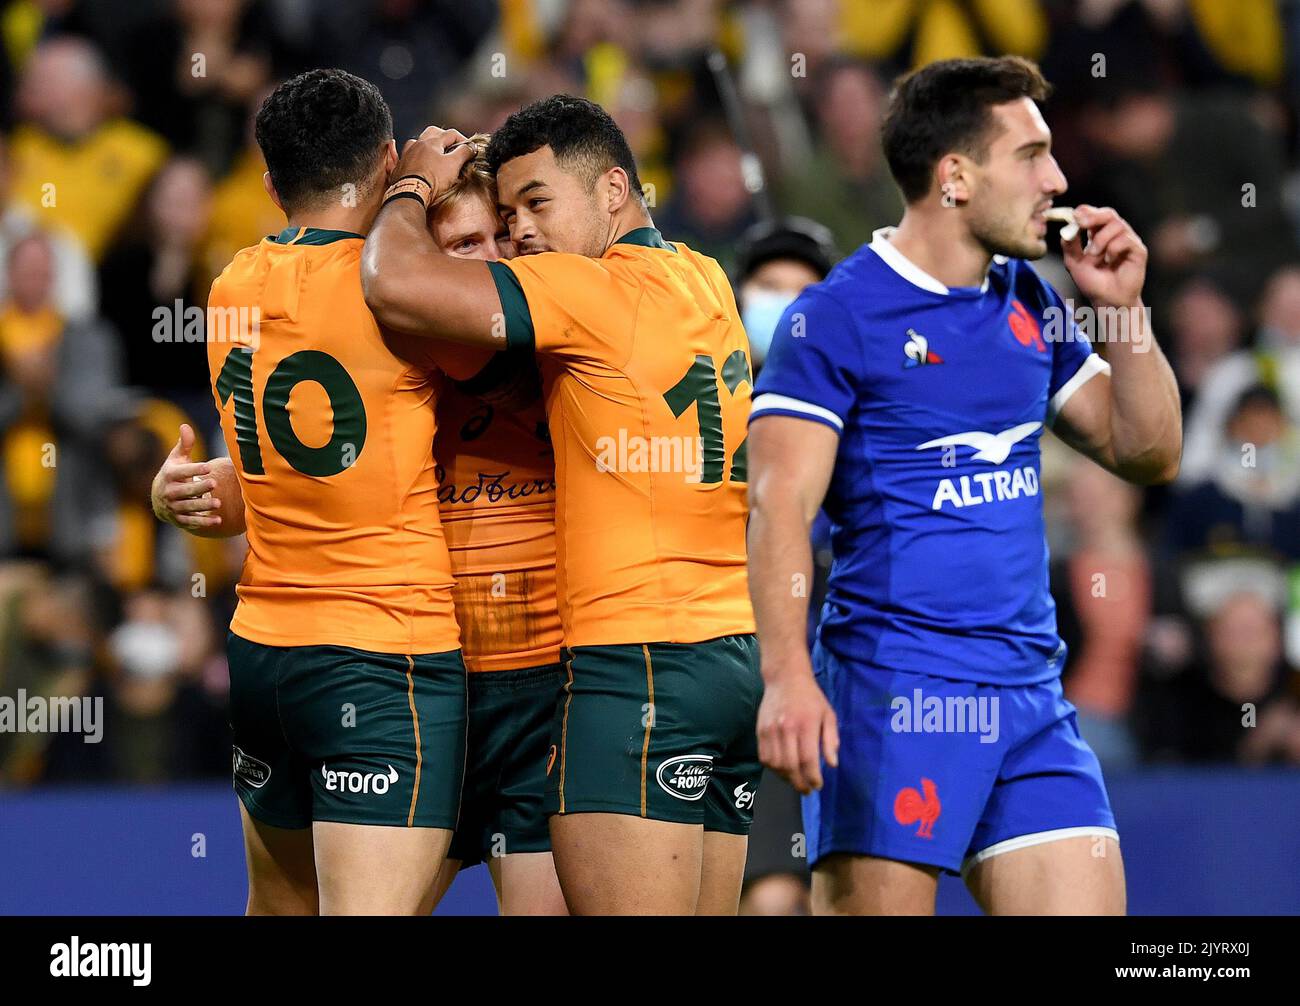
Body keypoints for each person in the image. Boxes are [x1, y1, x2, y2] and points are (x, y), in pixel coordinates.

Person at [747, 56, 1182, 915]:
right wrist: (788, 676)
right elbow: (778, 506)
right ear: (954, 178)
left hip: (1031, 700)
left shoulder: (1031, 299)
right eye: (1031, 154)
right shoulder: (836, 318)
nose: (1057, 179)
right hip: (893, 697)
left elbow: (1146, 451)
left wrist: (1123, 310)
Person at [361, 95, 760, 915]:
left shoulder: (585, 291)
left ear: (613, 189)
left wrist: (408, 188)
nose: (522, 235)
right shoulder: (705, 276)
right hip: (726, 655)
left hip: (636, 663)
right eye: (506, 216)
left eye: (537, 203)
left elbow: (393, 281)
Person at [155, 133, 568, 916]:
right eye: (454, 249)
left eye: (493, 240)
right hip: (409, 691)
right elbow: (289, 483)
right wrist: (184, 494)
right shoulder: (394, 349)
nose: (478, 265)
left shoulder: (559, 358)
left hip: (535, 696)